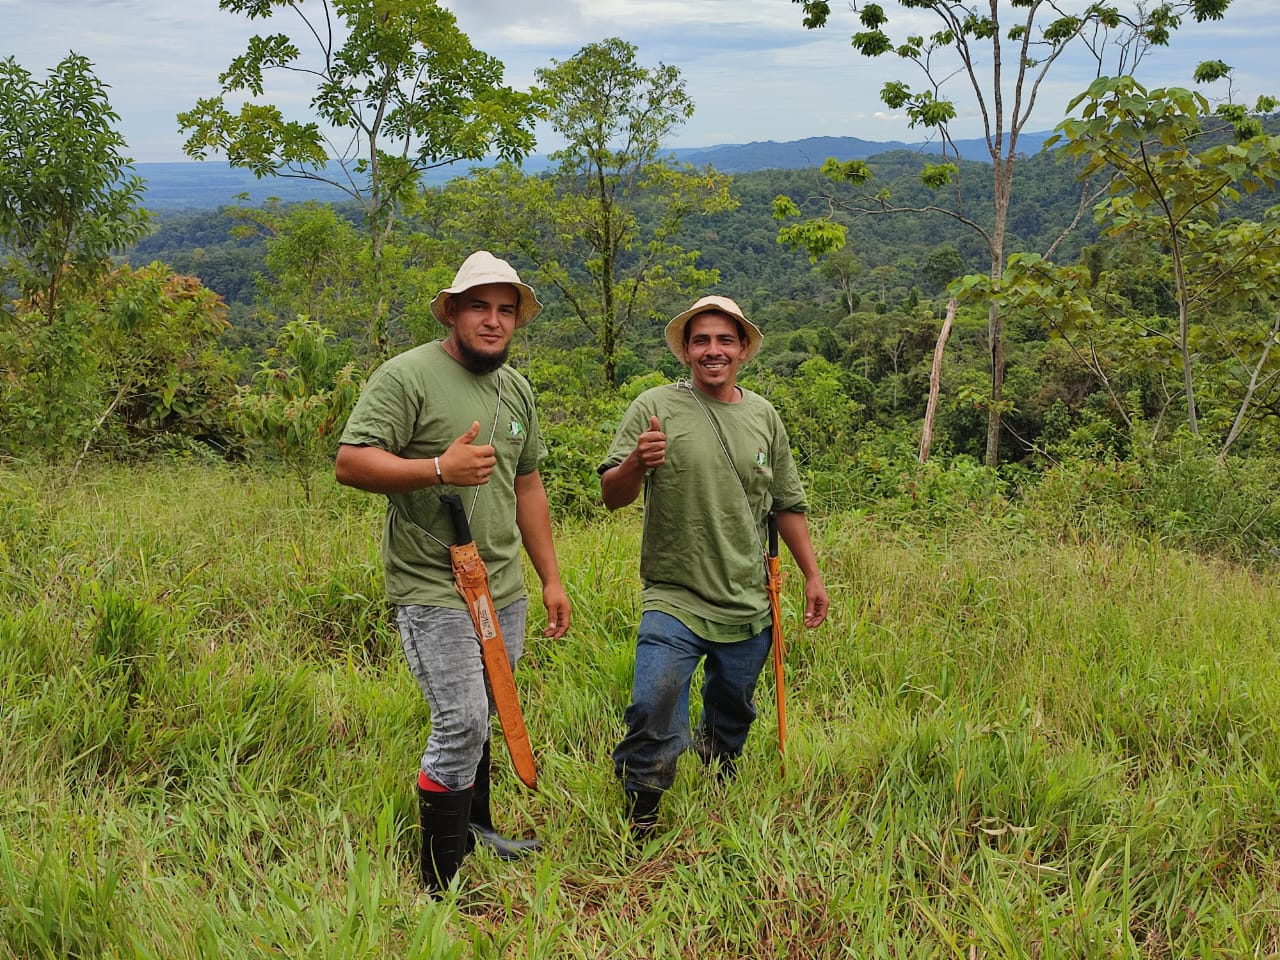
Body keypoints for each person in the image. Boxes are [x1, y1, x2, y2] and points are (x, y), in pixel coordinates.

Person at [335, 251, 571, 895]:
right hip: (432, 584)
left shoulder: (515, 390)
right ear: (452, 313)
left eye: (505, 310)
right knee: (462, 718)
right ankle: (439, 881)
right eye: (479, 307)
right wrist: (438, 469)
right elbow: (351, 462)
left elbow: (528, 485)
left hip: (503, 586)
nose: (493, 321)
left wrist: (550, 578)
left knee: (487, 709)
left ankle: (478, 829)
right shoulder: (406, 375)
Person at [598, 294, 829, 836]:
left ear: (743, 349)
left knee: (733, 707)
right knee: (653, 703)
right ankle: (643, 814)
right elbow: (612, 495)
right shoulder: (655, 406)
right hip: (674, 593)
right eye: (700, 340)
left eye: (725, 340)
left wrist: (812, 575)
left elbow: (786, 503)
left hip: (749, 596)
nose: (713, 350)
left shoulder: (763, 416)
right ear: (685, 351)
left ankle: (719, 774)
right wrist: (637, 462)